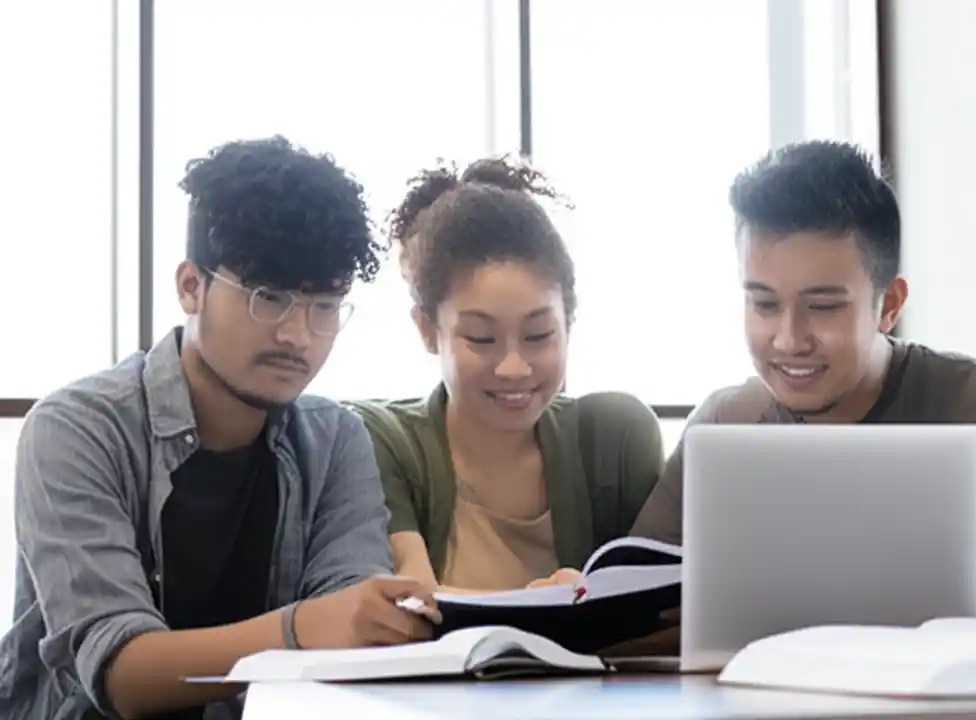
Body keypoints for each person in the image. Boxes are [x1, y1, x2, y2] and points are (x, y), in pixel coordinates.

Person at [631, 140, 976, 625]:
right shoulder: (723, 425)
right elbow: (634, 601)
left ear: (889, 305)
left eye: (823, 307)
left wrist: (897, 624)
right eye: (763, 304)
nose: (788, 339)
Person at [0, 136, 439, 720]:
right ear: (190, 286)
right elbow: (122, 677)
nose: (297, 335)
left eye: (325, 306)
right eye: (268, 297)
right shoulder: (77, 430)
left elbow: (352, 627)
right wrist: (303, 628)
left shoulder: (336, 441)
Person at [347, 157, 663, 594]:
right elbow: (408, 600)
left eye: (538, 335)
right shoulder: (379, 441)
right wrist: (544, 610)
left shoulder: (615, 437)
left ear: (568, 321)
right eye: (481, 338)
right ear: (428, 330)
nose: (514, 367)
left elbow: (666, 607)